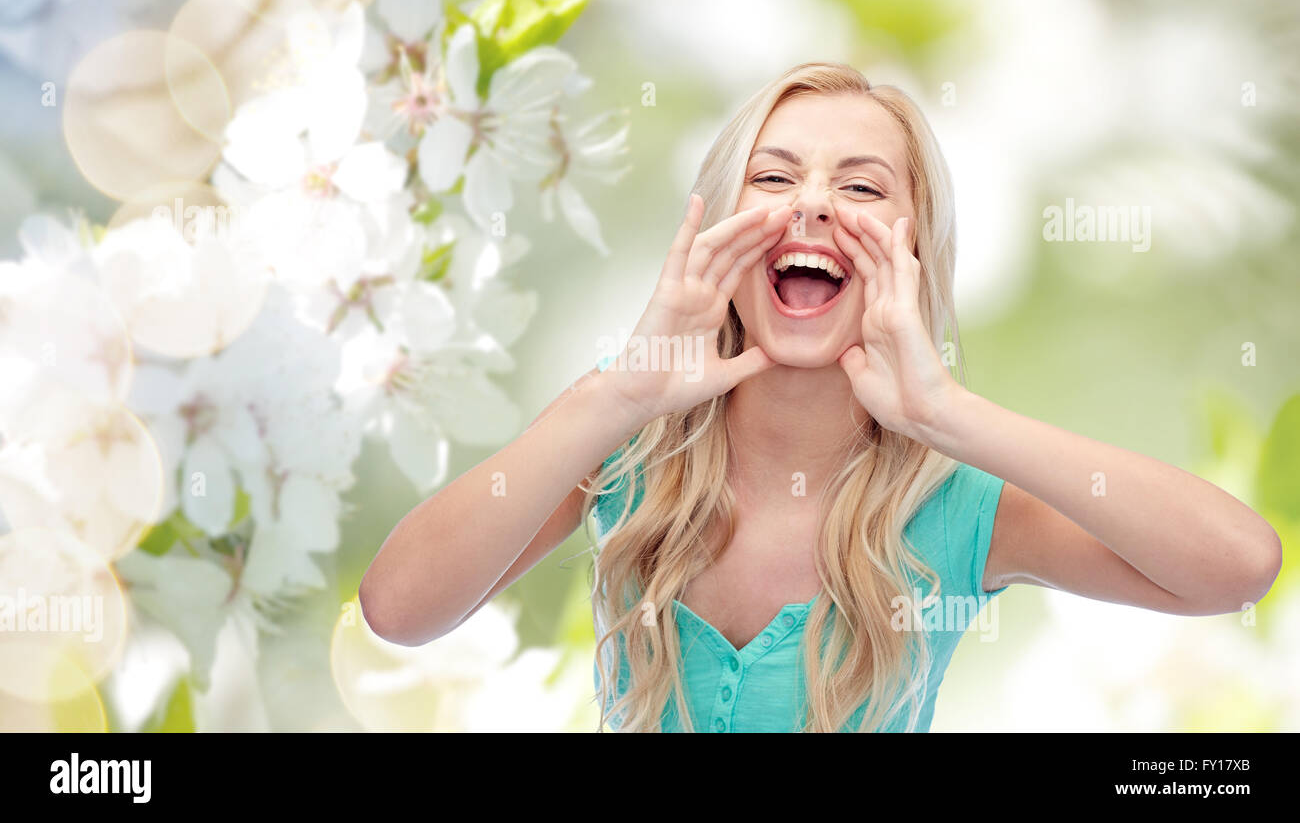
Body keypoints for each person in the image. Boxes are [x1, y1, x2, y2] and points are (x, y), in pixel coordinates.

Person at [359, 62, 1282, 732]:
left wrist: (946, 412)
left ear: (914, 255)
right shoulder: (622, 455)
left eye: (861, 186)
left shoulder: (960, 508)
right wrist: (617, 395)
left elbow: (1237, 565)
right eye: (773, 177)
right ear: (720, 230)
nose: (814, 207)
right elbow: (399, 608)